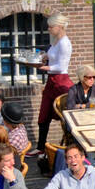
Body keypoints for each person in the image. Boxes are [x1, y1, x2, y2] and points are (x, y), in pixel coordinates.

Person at [36, 13, 73, 153]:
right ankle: (40, 147)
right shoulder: (56, 41)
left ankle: (71, 145)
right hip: (51, 82)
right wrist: (45, 57)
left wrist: (42, 67)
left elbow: (61, 67)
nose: (49, 29)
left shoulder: (65, 43)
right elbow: (53, 57)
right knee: (43, 114)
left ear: (60, 26)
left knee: (66, 117)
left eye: (51, 27)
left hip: (60, 81)